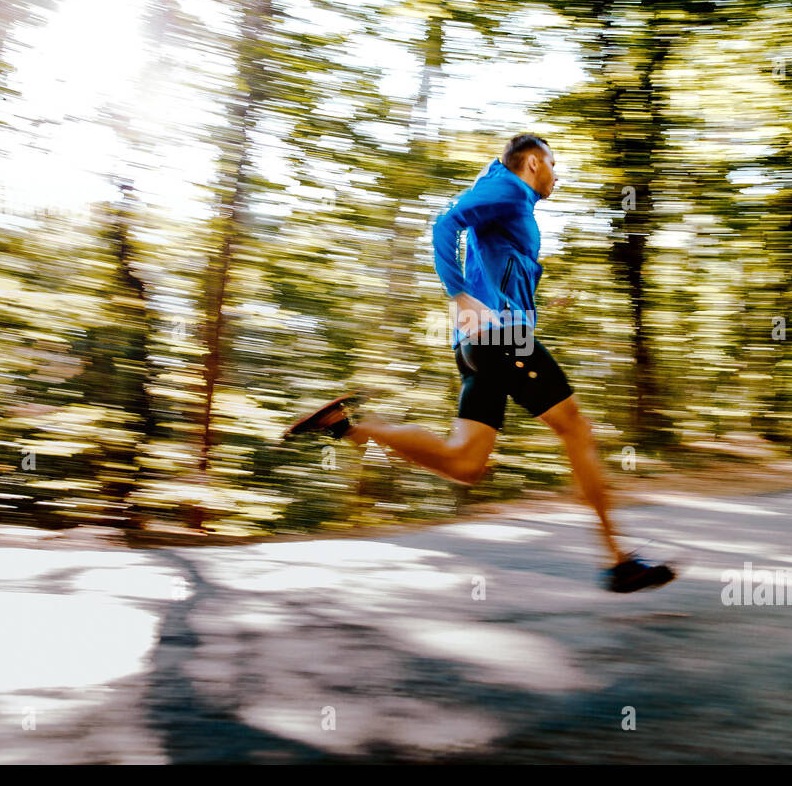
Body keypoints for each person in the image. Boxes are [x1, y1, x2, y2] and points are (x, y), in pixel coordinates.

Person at [283, 134, 674, 592]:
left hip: (482, 344)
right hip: (504, 338)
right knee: (578, 432)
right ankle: (618, 559)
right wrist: (459, 295)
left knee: (466, 463)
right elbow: (444, 224)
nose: (556, 174)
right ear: (531, 163)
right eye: (551, 163)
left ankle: (348, 427)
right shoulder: (510, 189)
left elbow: (497, 263)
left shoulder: (508, 198)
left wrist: (529, 300)